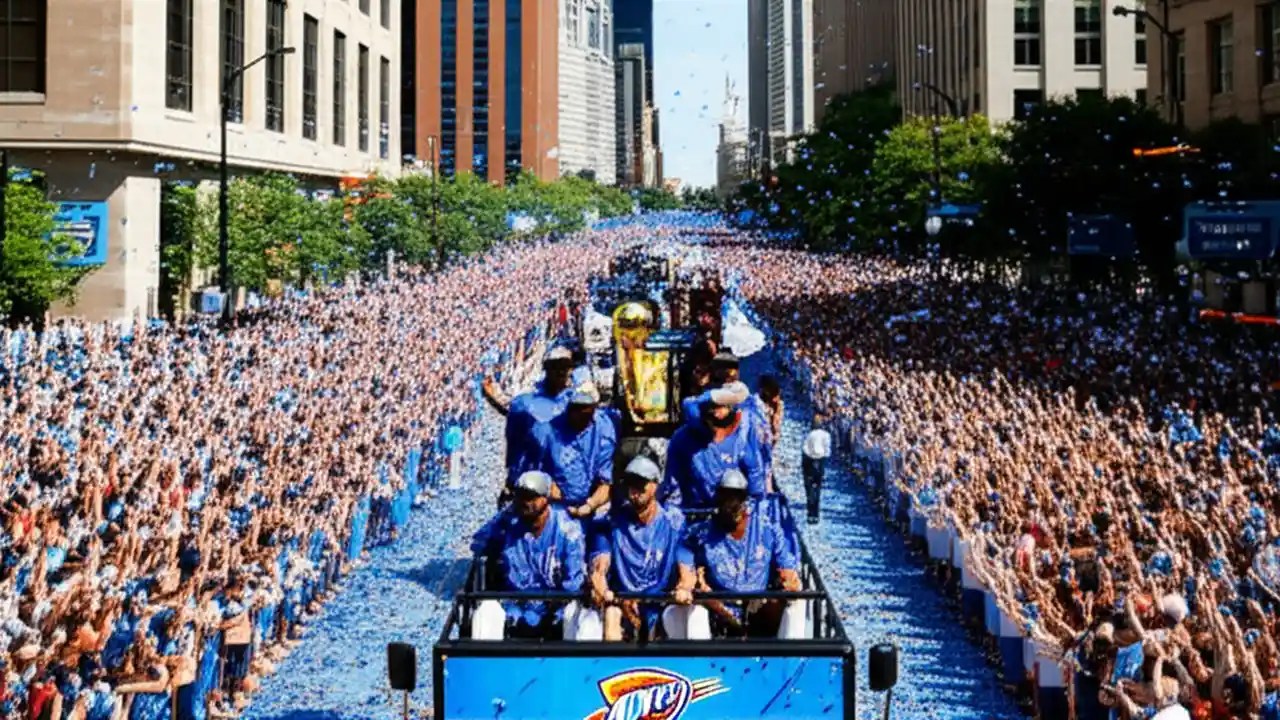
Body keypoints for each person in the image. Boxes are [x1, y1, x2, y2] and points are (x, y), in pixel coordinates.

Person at [673, 470, 806, 640]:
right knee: (693, 611)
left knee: (796, 601)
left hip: (758, 608)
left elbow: (787, 568)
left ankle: (789, 661)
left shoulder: (767, 530)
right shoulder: (701, 534)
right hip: (718, 610)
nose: (730, 505)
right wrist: (687, 579)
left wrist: (789, 578)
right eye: (725, 498)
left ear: (745, 502)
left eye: (735, 499)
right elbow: (684, 549)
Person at [469, 471, 596, 641]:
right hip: (515, 607)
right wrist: (504, 516)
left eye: (531, 497)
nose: (525, 502)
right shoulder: (508, 525)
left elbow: (573, 584)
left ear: (546, 498)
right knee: (486, 610)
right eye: (521, 497)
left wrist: (555, 611)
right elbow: (477, 544)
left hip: (556, 610)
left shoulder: (568, 531)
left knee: (580, 615)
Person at [587, 457, 696, 641]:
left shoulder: (674, 521)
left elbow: (686, 569)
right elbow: (599, 569)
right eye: (630, 485)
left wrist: (684, 588)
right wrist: (606, 593)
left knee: (686, 613)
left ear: (655, 486)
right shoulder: (611, 522)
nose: (634, 492)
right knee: (611, 615)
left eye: (640, 484)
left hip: (660, 604)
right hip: (622, 604)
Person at [510, 383, 616, 517]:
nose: (579, 413)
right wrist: (548, 486)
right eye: (575, 408)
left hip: (590, 504)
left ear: (594, 408)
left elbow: (605, 482)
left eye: (585, 409)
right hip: (554, 505)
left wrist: (590, 505)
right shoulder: (546, 431)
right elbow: (529, 472)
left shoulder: (604, 429)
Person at [661, 386, 766, 509]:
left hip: (734, 511)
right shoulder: (683, 439)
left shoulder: (745, 433)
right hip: (697, 511)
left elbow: (755, 476)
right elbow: (673, 485)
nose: (719, 436)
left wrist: (752, 507)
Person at [801, 414, 832, 524]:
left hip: (809, 461)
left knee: (809, 489)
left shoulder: (810, 434)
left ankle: (810, 513)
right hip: (820, 461)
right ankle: (816, 514)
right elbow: (827, 451)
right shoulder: (826, 435)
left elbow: (805, 448)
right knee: (817, 489)